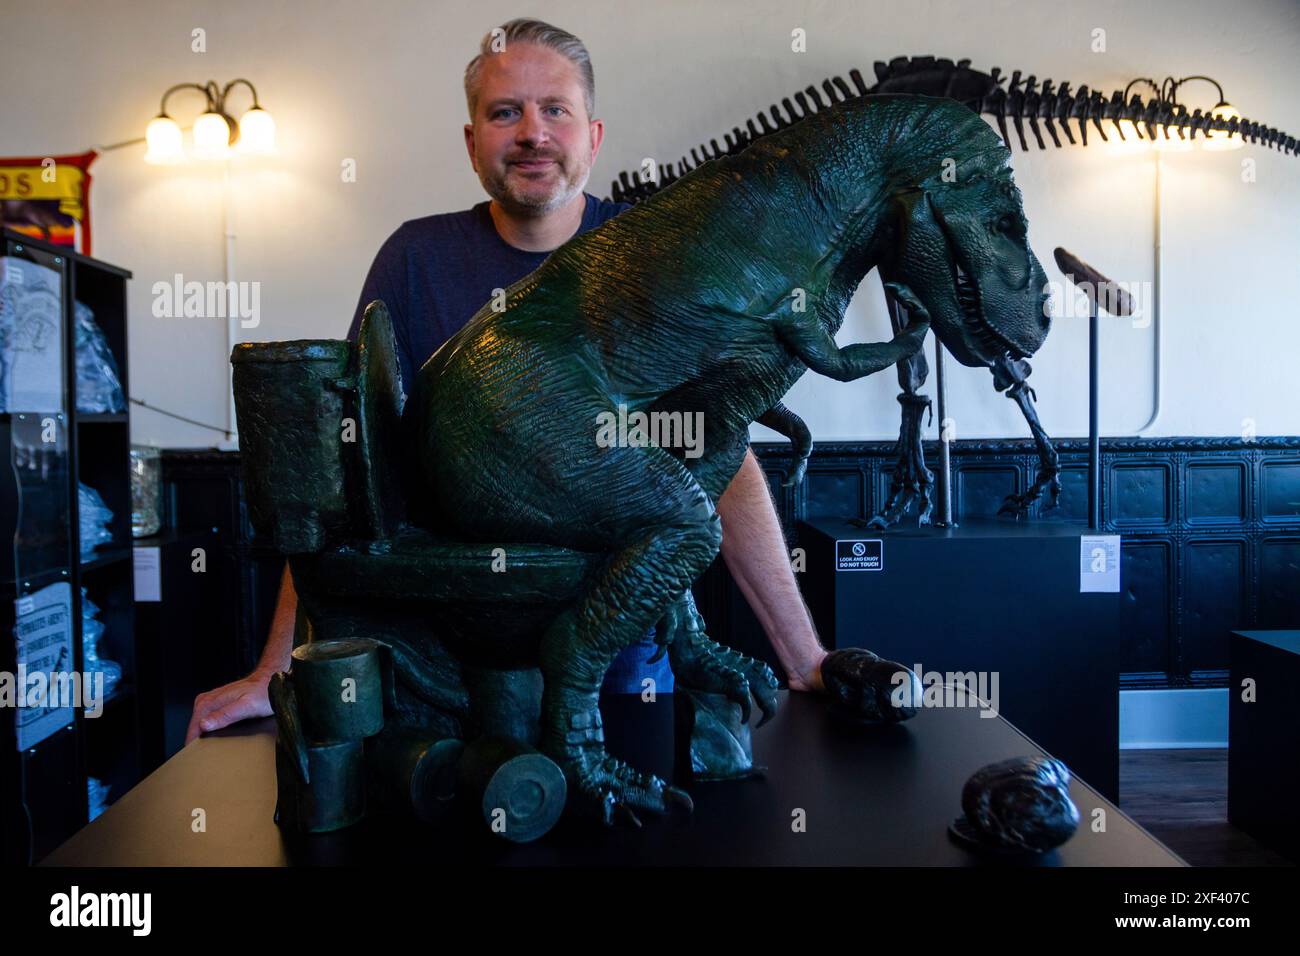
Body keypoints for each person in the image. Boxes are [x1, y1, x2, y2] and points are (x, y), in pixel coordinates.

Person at [186, 17, 828, 745]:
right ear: (472, 143)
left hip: (621, 661)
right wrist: (277, 670)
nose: (532, 132)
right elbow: (349, 476)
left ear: (594, 134)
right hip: (443, 662)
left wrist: (805, 657)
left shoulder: (656, 262)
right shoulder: (414, 260)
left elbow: (719, 457)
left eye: (556, 109)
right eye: (505, 112)